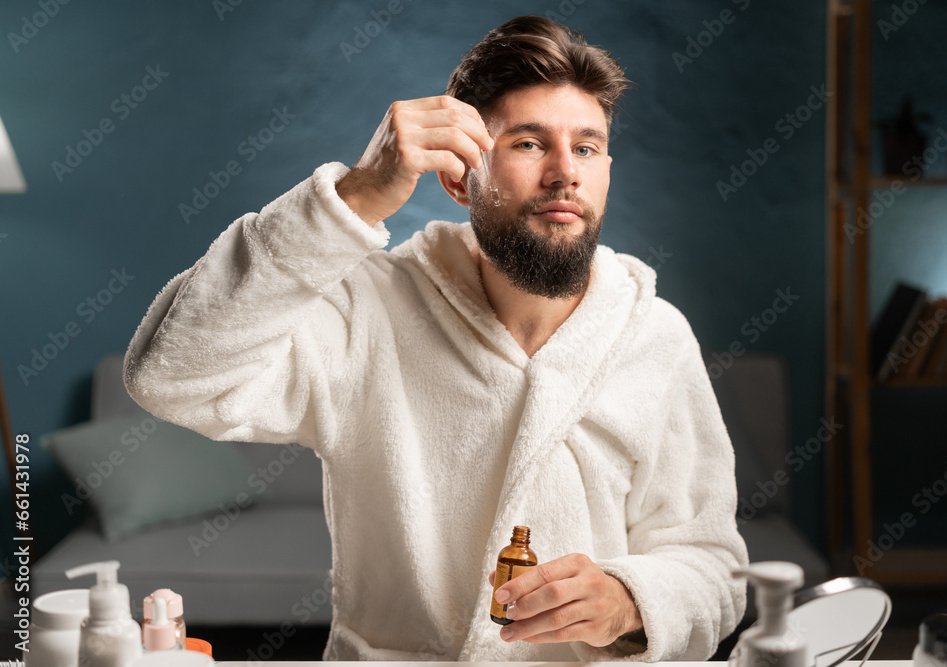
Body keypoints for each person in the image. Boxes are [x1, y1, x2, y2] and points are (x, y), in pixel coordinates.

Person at [124, 15, 747, 662]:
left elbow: (712, 567)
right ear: (458, 178)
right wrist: (356, 194)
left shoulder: (655, 337)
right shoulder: (369, 310)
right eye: (530, 144)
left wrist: (629, 600)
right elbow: (171, 374)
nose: (565, 172)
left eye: (586, 148)